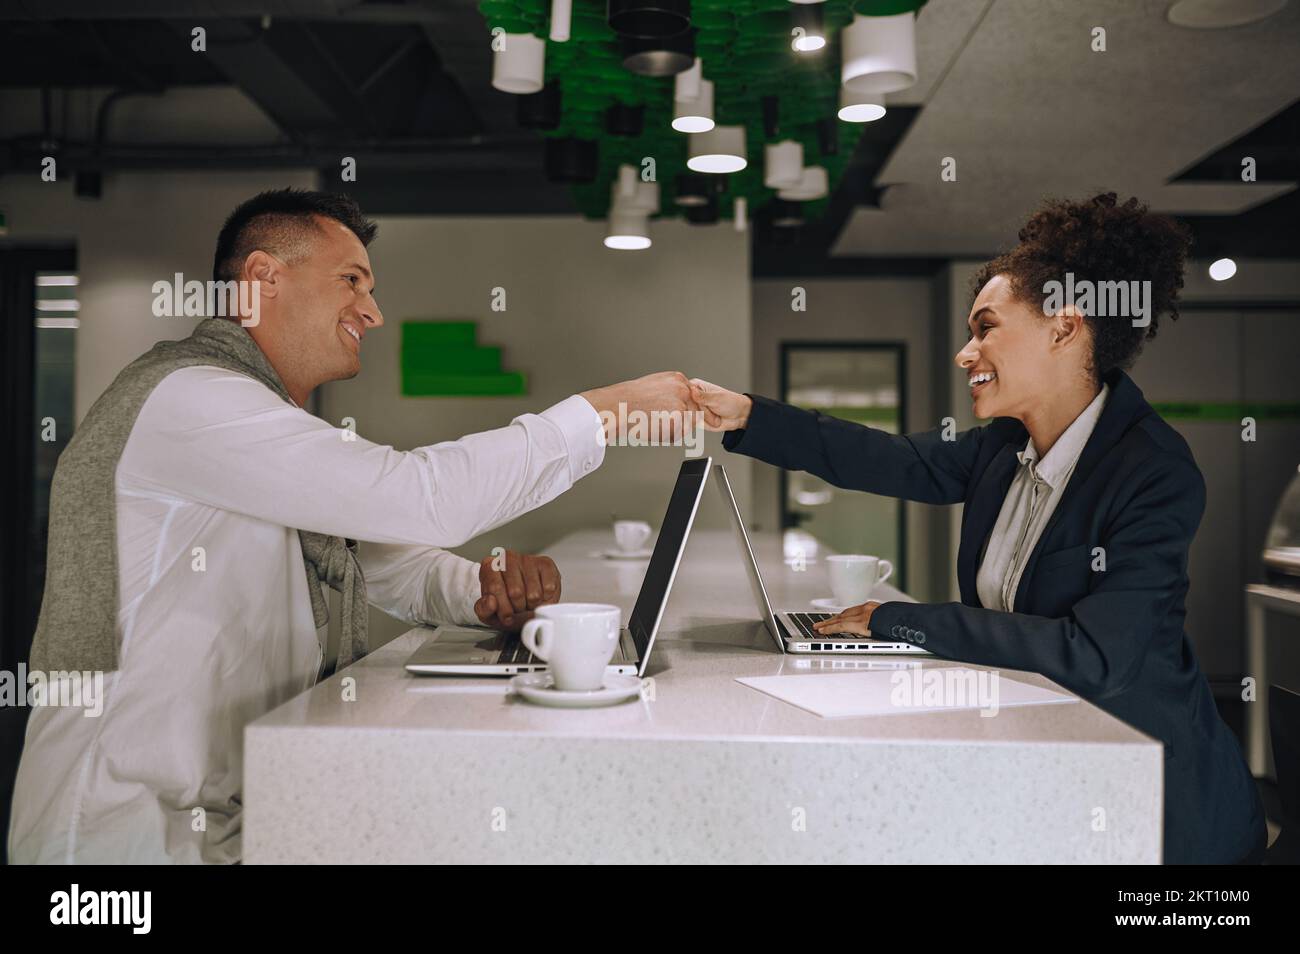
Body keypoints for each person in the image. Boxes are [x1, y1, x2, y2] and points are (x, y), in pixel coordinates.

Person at [9, 188, 695, 863]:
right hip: (121, 835)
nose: (372, 312)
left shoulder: (254, 419)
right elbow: (417, 496)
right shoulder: (189, 398)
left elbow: (386, 560)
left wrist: (481, 591)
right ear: (263, 279)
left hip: (221, 816)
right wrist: (602, 413)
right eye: (351, 282)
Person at [691, 193, 1267, 865]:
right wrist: (745, 417)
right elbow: (894, 459)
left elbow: (1096, 656)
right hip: (1047, 759)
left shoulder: (1153, 471)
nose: (966, 354)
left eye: (986, 327)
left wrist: (893, 620)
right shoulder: (1002, 446)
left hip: (1156, 800)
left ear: (1063, 328)